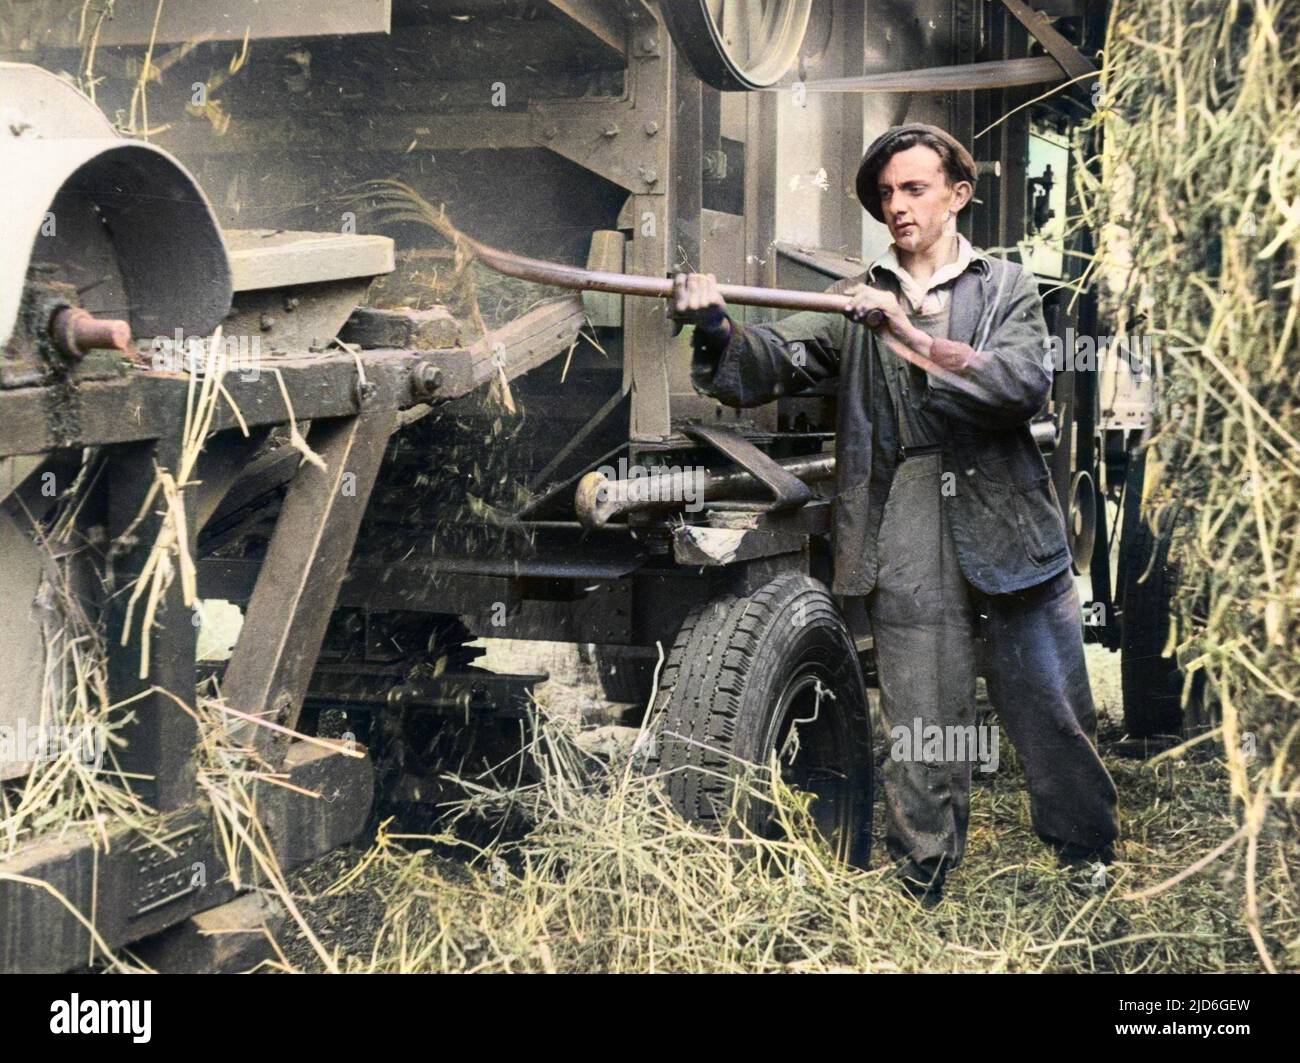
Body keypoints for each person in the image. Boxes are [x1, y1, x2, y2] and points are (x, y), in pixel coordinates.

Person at [671, 123, 1119, 906]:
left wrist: (907, 335)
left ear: (958, 194)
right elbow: (773, 360)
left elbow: (1020, 387)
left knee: (1049, 707)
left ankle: (1085, 854)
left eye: (915, 188)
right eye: (886, 194)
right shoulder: (855, 298)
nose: (898, 205)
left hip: (1007, 511)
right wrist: (715, 324)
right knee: (922, 715)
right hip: (909, 515)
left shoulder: (1007, 286)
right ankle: (923, 873)